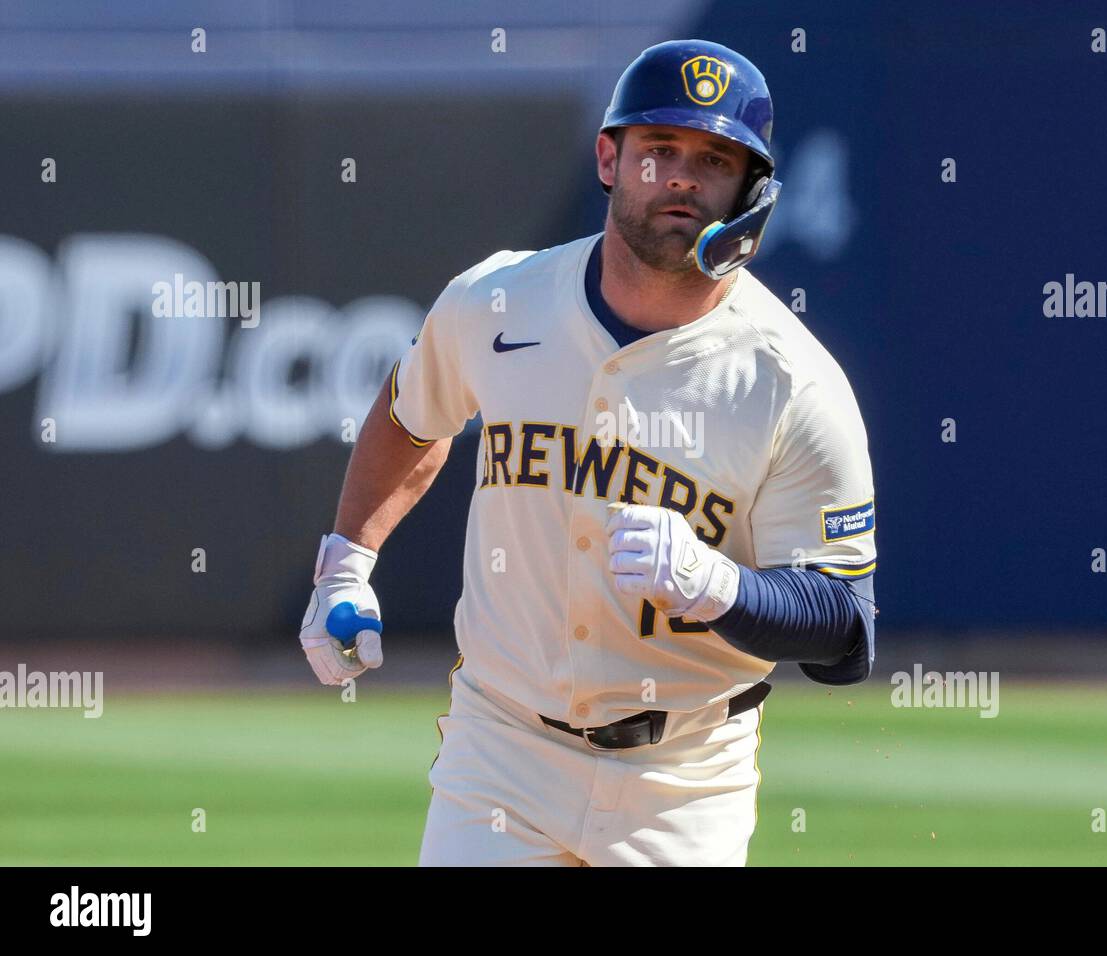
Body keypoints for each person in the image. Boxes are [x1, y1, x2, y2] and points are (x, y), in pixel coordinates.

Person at [298, 38, 879, 867]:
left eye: (714, 158)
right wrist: (346, 563)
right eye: (659, 149)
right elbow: (410, 413)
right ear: (610, 157)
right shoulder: (497, 300)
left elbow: (847, 628)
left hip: (684, 778)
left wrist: (718, 586)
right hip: (500, 745)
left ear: (753, 192)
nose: (681, 176)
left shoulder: (791, 382)